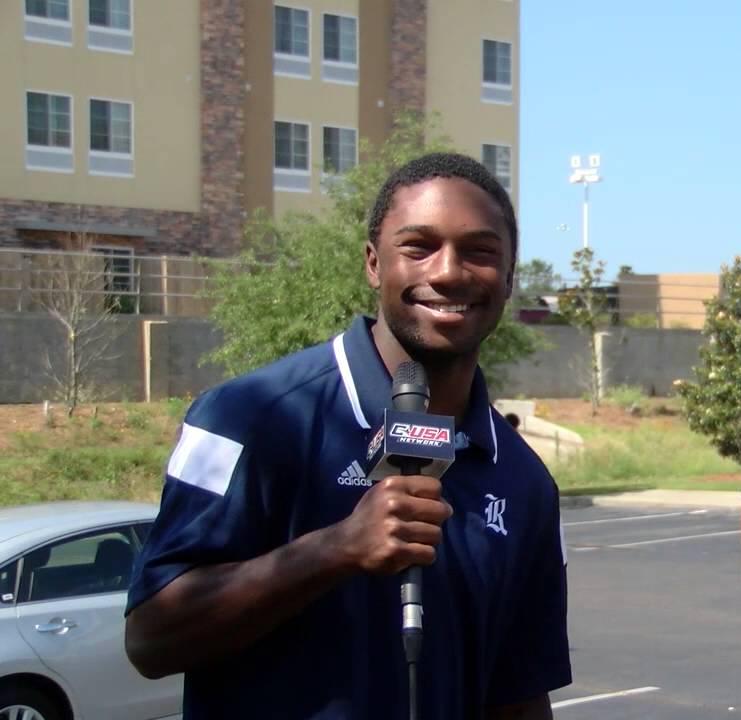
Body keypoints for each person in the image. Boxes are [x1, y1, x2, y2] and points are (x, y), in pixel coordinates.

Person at [125, 152, 571, 719]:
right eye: (418, 247)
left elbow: (520, 695)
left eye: (479, 251)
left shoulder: (526, 481)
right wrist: (335, 549)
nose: (447, 272)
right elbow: (150, 638)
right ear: (373, 264)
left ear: (509, 277)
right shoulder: (247, 418)